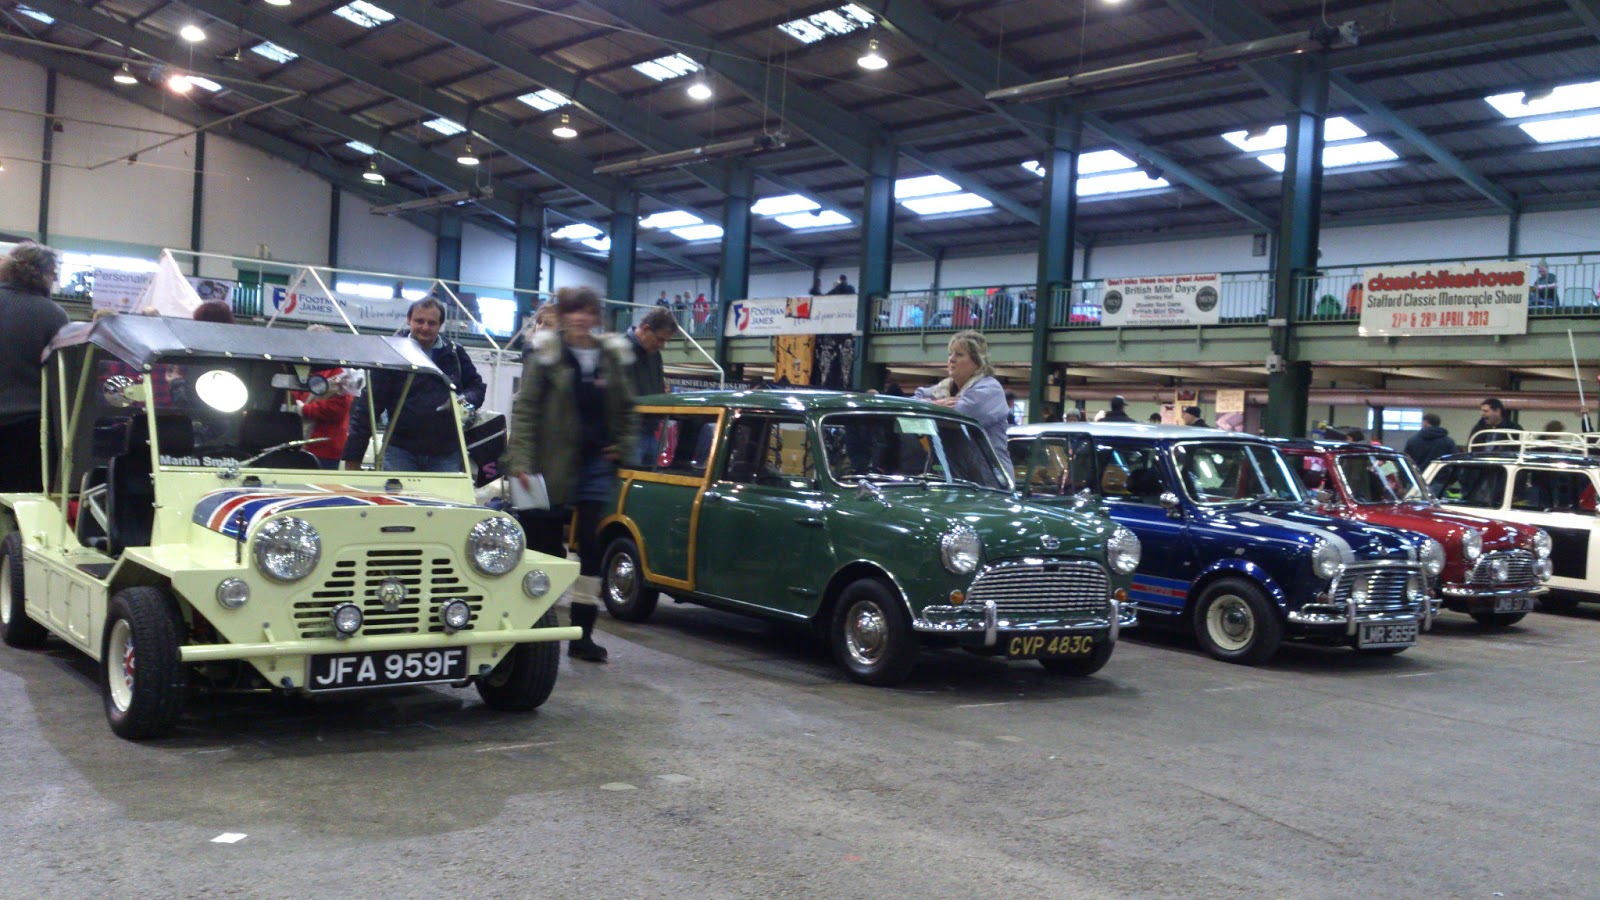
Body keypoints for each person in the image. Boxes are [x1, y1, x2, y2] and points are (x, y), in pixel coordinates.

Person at [503, 287, 637, 662]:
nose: (580, 317)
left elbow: (628, 408)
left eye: (587, 311)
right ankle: (533, 628)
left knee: (591, 546)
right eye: (573, 311)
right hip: (549, 461)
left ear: (596, 316)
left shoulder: (611, 355)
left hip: (596, 463)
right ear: (563, 316)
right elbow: (526, 410)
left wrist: (622, 447)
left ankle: (582, 634)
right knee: (543, 545)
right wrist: (521, 461)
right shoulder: (547, 354)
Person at [343, 296, 486, 472]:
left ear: (440, 325)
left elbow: (477, 389)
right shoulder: (390, 354)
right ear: (408, 320)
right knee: (398, 501)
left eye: (431, 323)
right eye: (419, 321)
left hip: (446, 453)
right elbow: (369, 406)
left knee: (443, 501)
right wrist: (353, 457)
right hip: (399, 452)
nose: (425, 327)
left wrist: (463, 402)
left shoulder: (455, 354)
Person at [0, 242, 69, 494]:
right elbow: (61, 377)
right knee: (22, 503)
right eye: (53, 274)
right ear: (43, 274)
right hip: (28, 428)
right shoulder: (53, 314)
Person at [912, 330, 1009, 458]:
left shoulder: (990, 389)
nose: (951, 359)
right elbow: (911, 404)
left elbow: (959, 416)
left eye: (959, 354)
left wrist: (928, 407)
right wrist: (936, 404)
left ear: (977, 361)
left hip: (983, 474)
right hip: (948, 471)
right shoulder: (942, 388)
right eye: (950, 354)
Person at [626, 307, 676, 398]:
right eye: (660, 339)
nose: (662, 345)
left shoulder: (655, 355)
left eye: (666, 341)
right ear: (646, 329)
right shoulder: (620, 350)